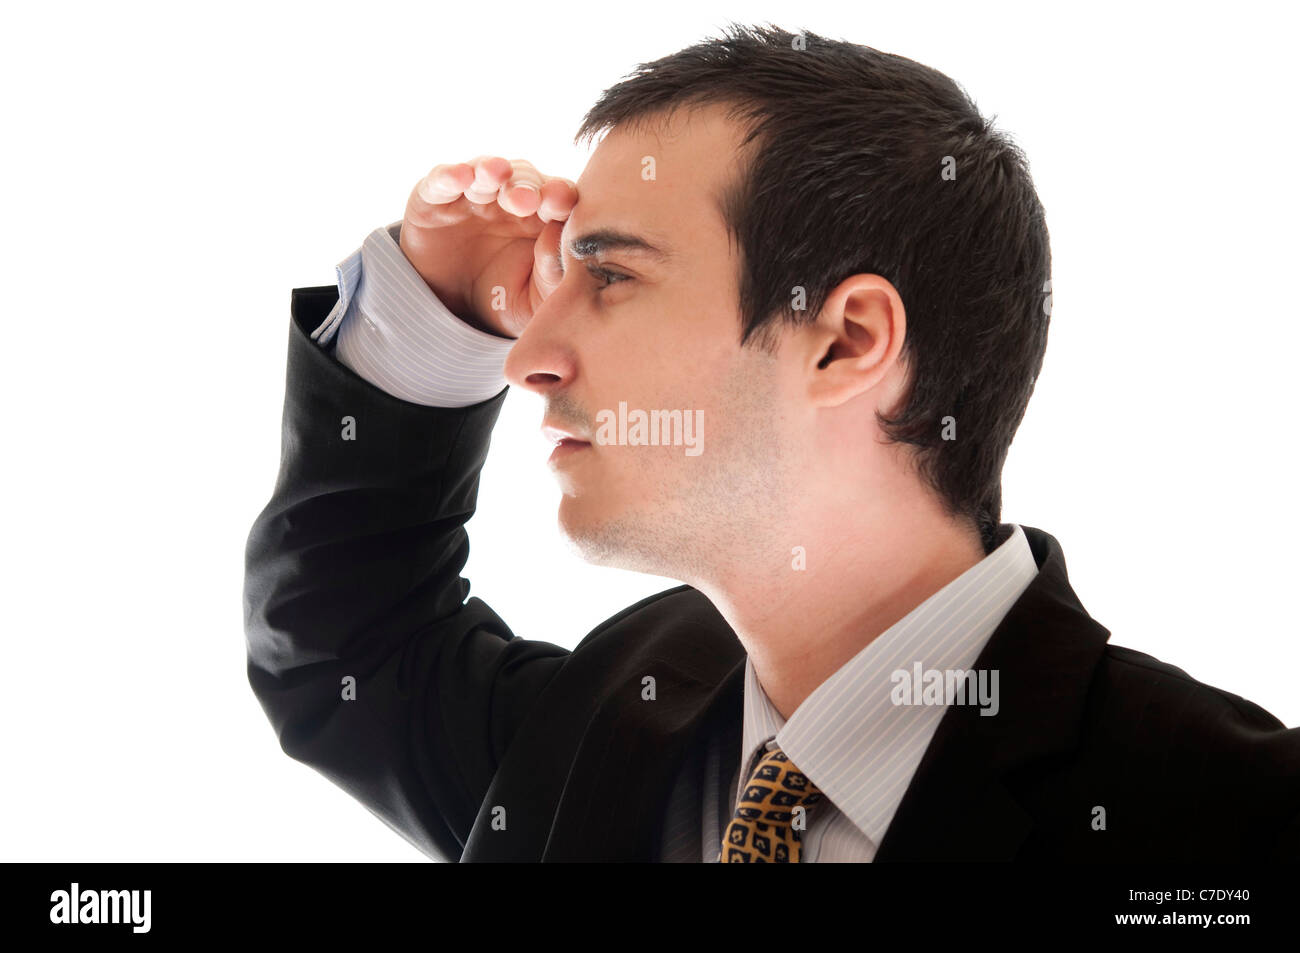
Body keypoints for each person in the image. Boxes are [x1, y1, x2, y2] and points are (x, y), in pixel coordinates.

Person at [243, 23, 1300, 861]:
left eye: (609, 276)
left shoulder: (1228, 822)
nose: (526, 358)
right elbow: (350, 644)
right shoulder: (601, 727)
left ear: (845, 341)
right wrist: (442, 308)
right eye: (554, 277)